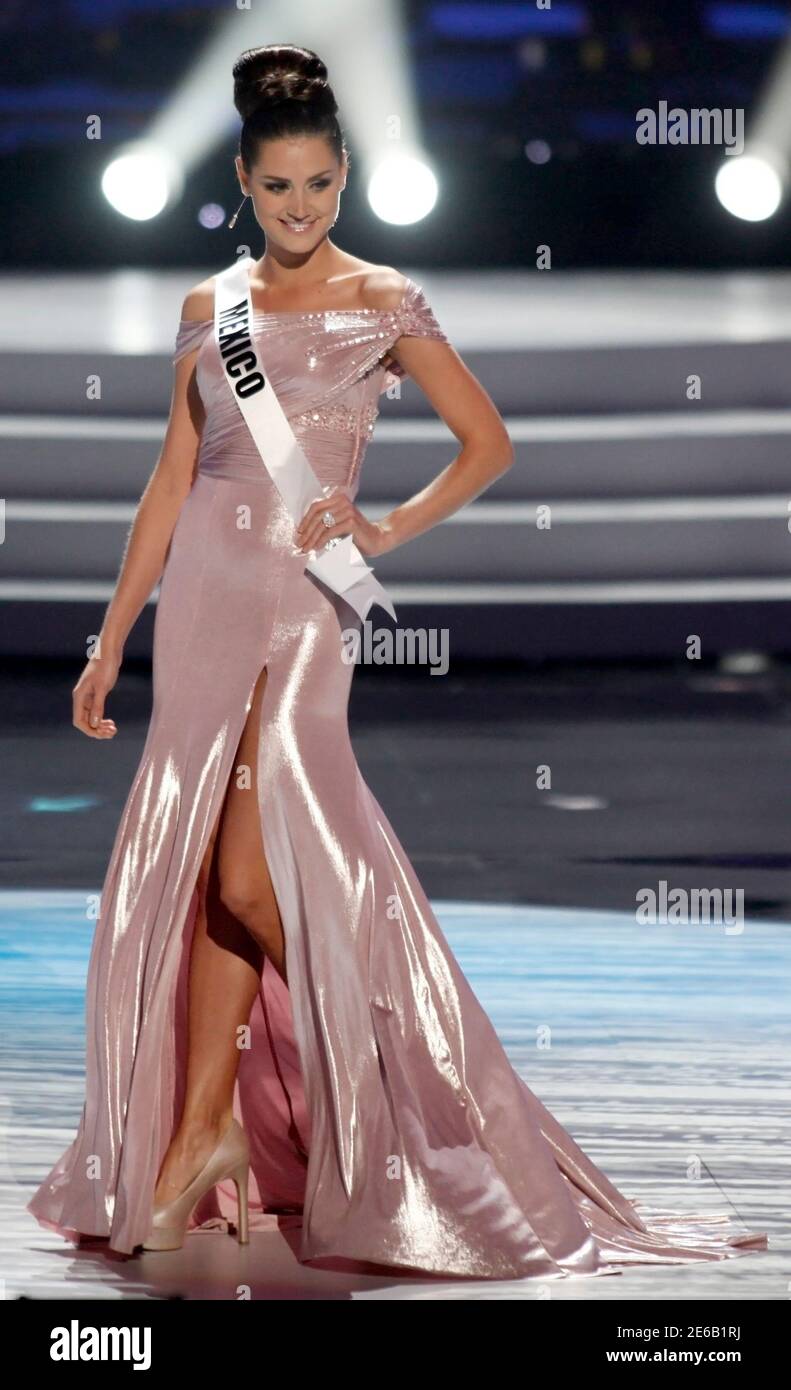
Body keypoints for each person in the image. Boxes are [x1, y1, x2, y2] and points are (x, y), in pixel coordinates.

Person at [26, 43, 768, 1281]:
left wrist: (384, 525)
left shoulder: (385, 300)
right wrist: (109, 638)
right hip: (206, 600)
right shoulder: (211, 309)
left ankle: (407, 1083)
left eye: (319, 185)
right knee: (209, 870)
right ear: (244, 187)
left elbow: (487, 443)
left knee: (264, 878)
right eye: (278, 190)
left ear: (346, 174)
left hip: (304, 607)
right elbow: (170, 480)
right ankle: (201, 1138)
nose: (301, 208)